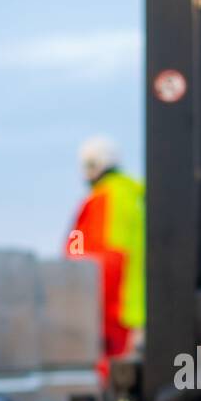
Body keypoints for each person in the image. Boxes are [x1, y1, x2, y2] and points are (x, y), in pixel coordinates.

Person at [65, 136, 145, 379]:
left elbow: (95, 255)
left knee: (108, 375)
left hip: (112, 307)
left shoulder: (102, 199)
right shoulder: (134, 197)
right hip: (135, 304)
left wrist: (81, 296)